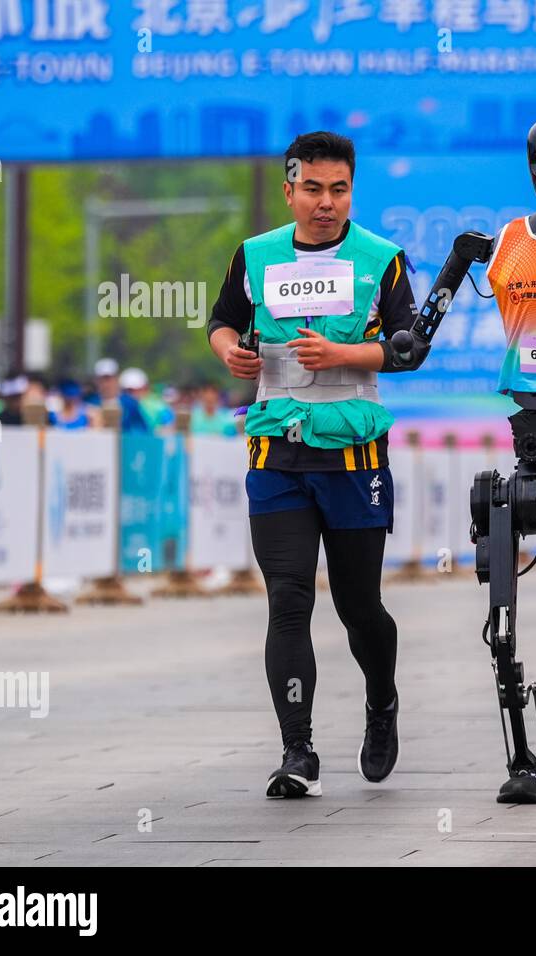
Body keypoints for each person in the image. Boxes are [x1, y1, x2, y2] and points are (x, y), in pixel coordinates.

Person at [206, 130, 423, 799]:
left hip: (355, 460)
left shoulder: (381, 259)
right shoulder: (256, 255)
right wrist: (230, 354)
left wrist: (347, 357)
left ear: (351, 190)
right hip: (276, 454)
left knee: (359, 607)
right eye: (313, 189)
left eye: (339, 190)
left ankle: (381, 703)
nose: (325, 203)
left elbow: (409, 349)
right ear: (289, 189)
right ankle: (297, 751)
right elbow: (223, 321)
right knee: (289, 599)